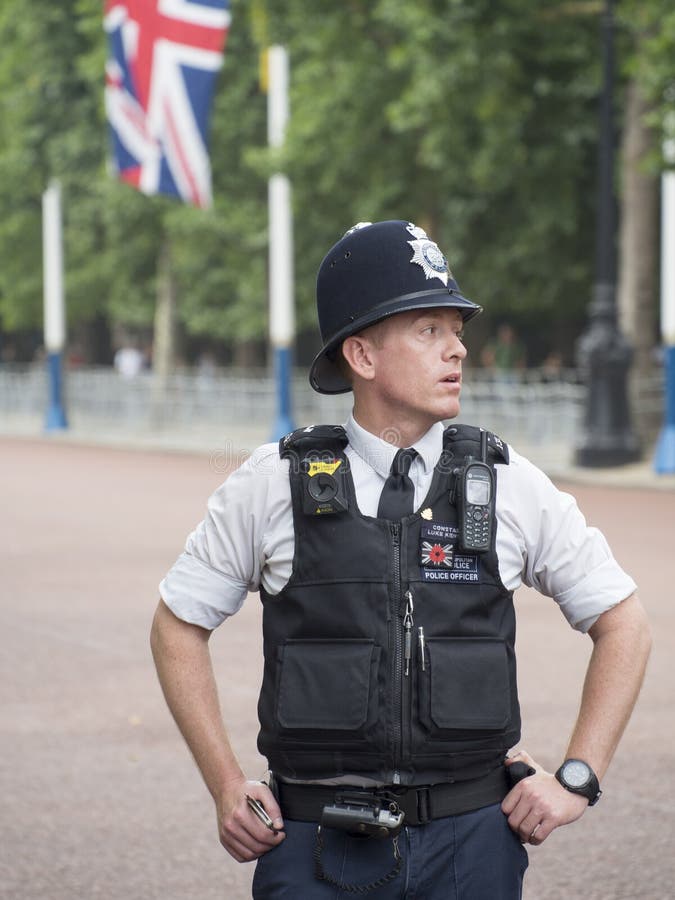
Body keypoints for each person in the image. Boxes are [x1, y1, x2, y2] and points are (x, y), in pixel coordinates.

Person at [150, 220, 651, 899]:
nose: (458, 350)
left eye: (457, 329)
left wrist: (575, 778)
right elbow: (177, 624)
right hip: (314, 845)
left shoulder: (507, 483)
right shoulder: (271, 483)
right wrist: (224, 784)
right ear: (361, 354)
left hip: (473, 843)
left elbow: (623, 621)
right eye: (429, 330)